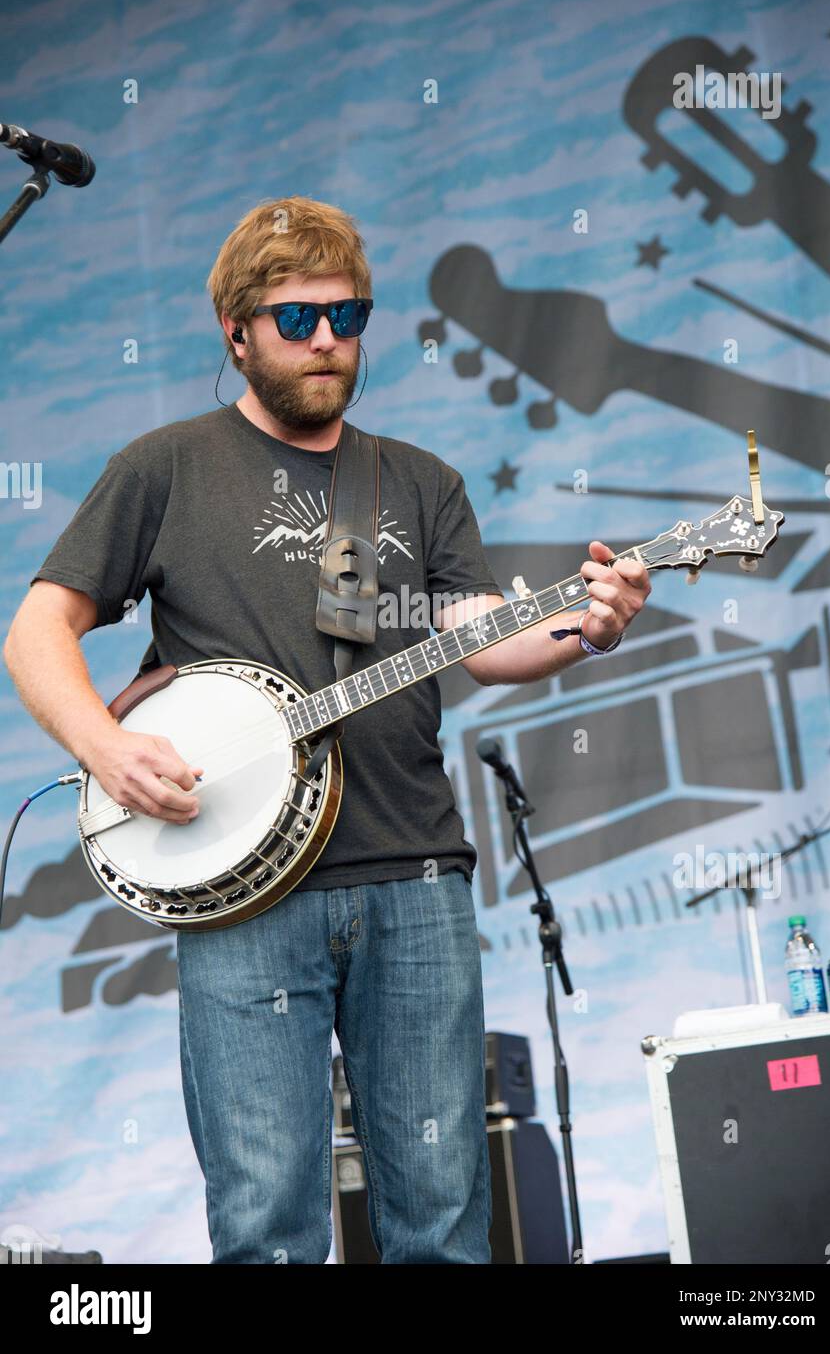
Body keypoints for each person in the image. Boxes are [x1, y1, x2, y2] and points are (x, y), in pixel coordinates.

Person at [2, 196, 651, 1264]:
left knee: (442, 1219)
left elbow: (483, 640)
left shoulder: (418, 481)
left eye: (347, 319)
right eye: (296, 320)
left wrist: (586, 628)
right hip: (244, 896)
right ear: (235, 331)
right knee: (266, 1225)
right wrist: (104, 747)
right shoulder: (164, 468)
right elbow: (38, 631)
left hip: (413, 877)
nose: (324, 343)